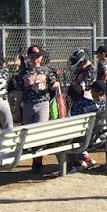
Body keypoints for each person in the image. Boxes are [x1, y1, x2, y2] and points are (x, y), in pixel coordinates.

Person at [15, 44, 65, 177]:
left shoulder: (46, 70)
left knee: (40, 131)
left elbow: (55, 84)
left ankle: (37, 160)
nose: (35, 59)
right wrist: (16, 109)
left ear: (41, 57)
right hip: (28, 105)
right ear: (29, 58)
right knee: (29, 132)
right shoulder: (23, 73)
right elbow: (19, 92)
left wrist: (54, 85)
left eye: (37, 57)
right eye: (32, 57)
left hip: (42, 103)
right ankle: (34, 157)